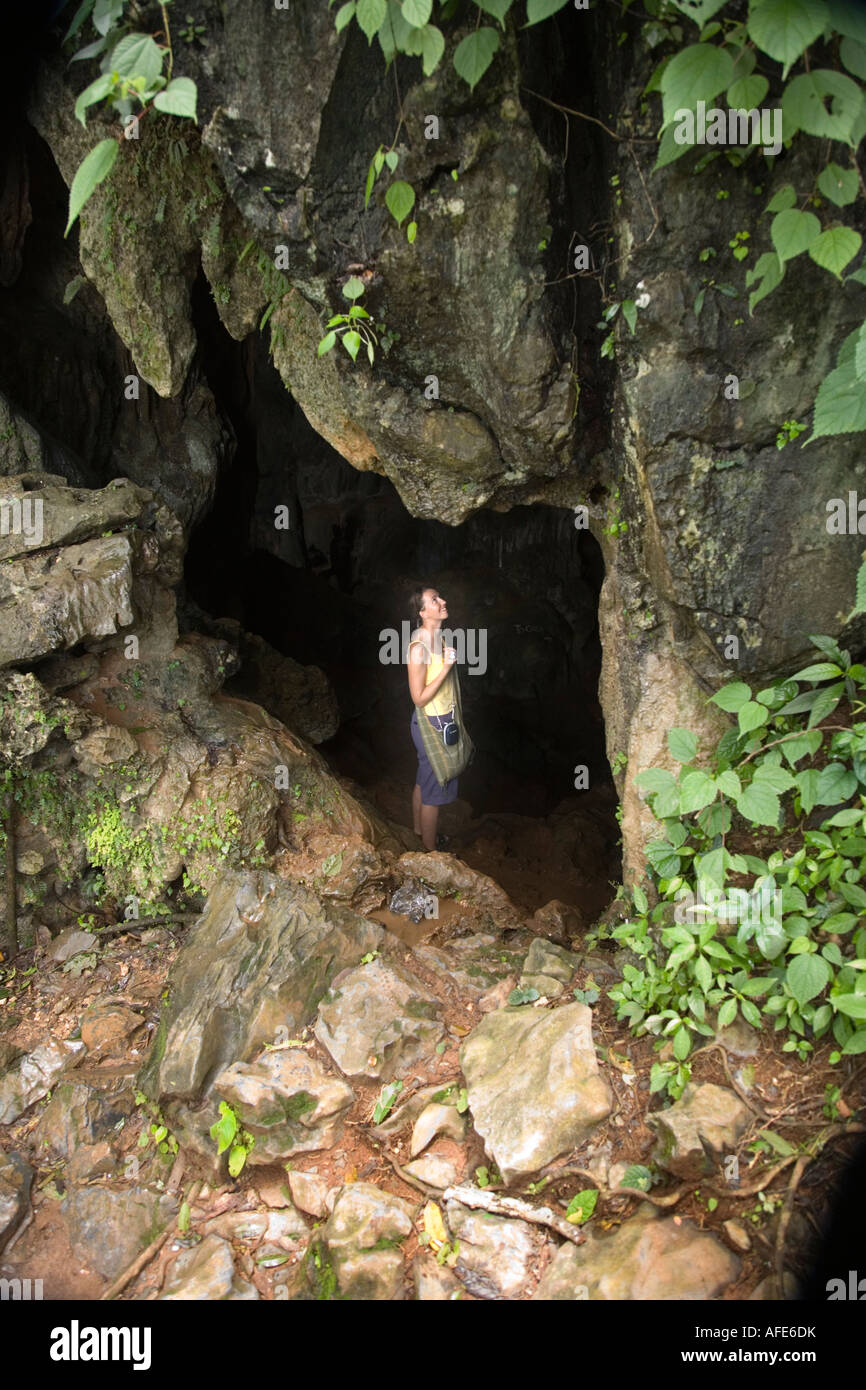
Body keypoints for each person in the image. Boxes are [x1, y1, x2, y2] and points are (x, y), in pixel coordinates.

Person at [407, 585, 461, 851]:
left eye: (440, 596)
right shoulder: (419, 648)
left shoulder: (436, 638)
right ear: (422, 611)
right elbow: (418, 697)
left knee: (423, 778)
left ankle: (418, 833)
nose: (442, 601)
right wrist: (447, 667)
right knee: (434, 791)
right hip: (431, 724)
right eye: (434, 600)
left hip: (438, 720)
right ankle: (430, 854)